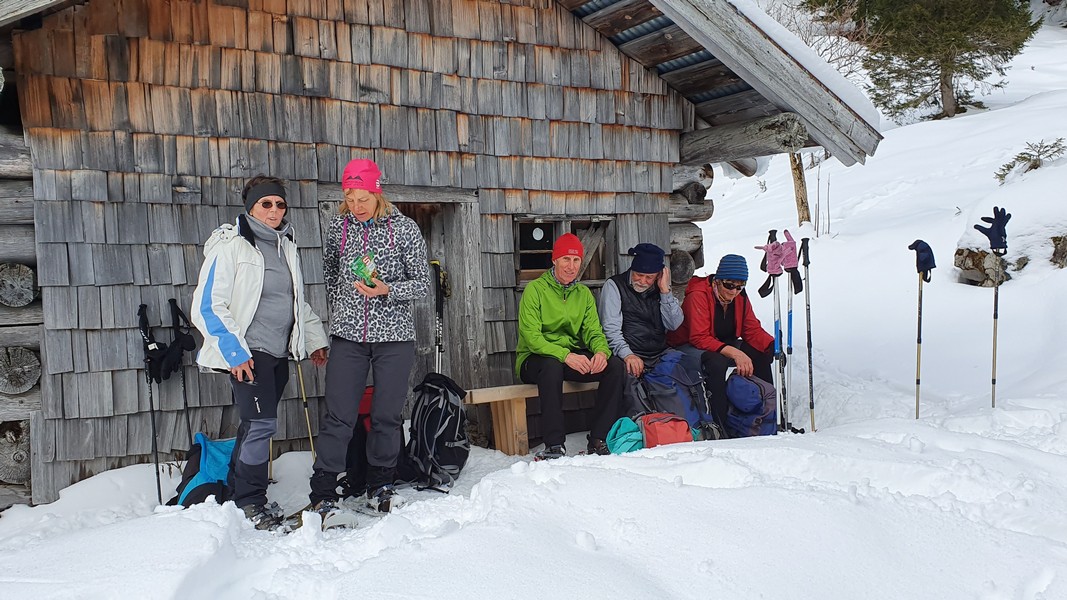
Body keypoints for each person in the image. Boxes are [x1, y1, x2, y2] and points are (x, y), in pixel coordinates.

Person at [191, 175, 329, 530]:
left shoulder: (286, 246)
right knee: (261, 425)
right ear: (250, 206)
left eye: (279, 204)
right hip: (249, 353)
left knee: (255, 426)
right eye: (266, 203)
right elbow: (207, 305)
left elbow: (296, 303)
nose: (274, 210)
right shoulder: (232, 245)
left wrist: (313, 340)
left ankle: (240, 496)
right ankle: (250, 502)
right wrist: (235, 352)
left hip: (278, 354)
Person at [308, 158, 430, 515]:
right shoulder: (339, 228)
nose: (356, 206)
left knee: (386, 415)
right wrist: (342, 312)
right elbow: (331, 274)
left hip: (394, 336)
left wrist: (387, 290)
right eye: (349, 197)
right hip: (349, 336)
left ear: (378, 193)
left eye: (363, 197)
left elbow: (422, 283)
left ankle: (381, 482)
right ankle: (324, 489)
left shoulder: (404, 229)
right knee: (339, 414)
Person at [517, 233, 625, 459]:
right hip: (534, 360)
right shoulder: (535, 290)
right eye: (566, 259)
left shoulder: (583, 294)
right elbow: (532, 337)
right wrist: (565, 355)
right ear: (554, 260)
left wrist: (601, 352)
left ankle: (598, 438)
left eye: (576, 260)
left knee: (615, 366)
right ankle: (554, 445)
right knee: (551, 366)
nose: (571, 266)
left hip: (568, 358)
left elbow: (593, 331)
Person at [666, 254, 774, 431]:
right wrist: (734, 352)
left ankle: (766, 414)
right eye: (729, 285)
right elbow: (698, 337)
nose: (733, 291)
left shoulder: (740, 297)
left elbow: (751, 329)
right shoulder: (698, 295)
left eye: (740, 287)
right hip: (687, 347)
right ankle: (720, 423)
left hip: (719, 344)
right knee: (717, 363)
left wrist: (771, 346)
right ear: (717, 280)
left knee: (759, 351)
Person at [597, 243, 684, 412]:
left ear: (659, 275)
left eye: (649, 277)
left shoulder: (661, 289)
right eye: (639, 275)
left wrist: (665, 292)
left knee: (684, 369)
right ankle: (644, 426)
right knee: (629, 383)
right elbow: (610, 328)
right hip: (630, 353)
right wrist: (628, 355)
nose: (643, 281)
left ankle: (681, 425)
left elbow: (674, 324)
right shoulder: (615, 286)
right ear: (632, 269)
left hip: (659, 353)